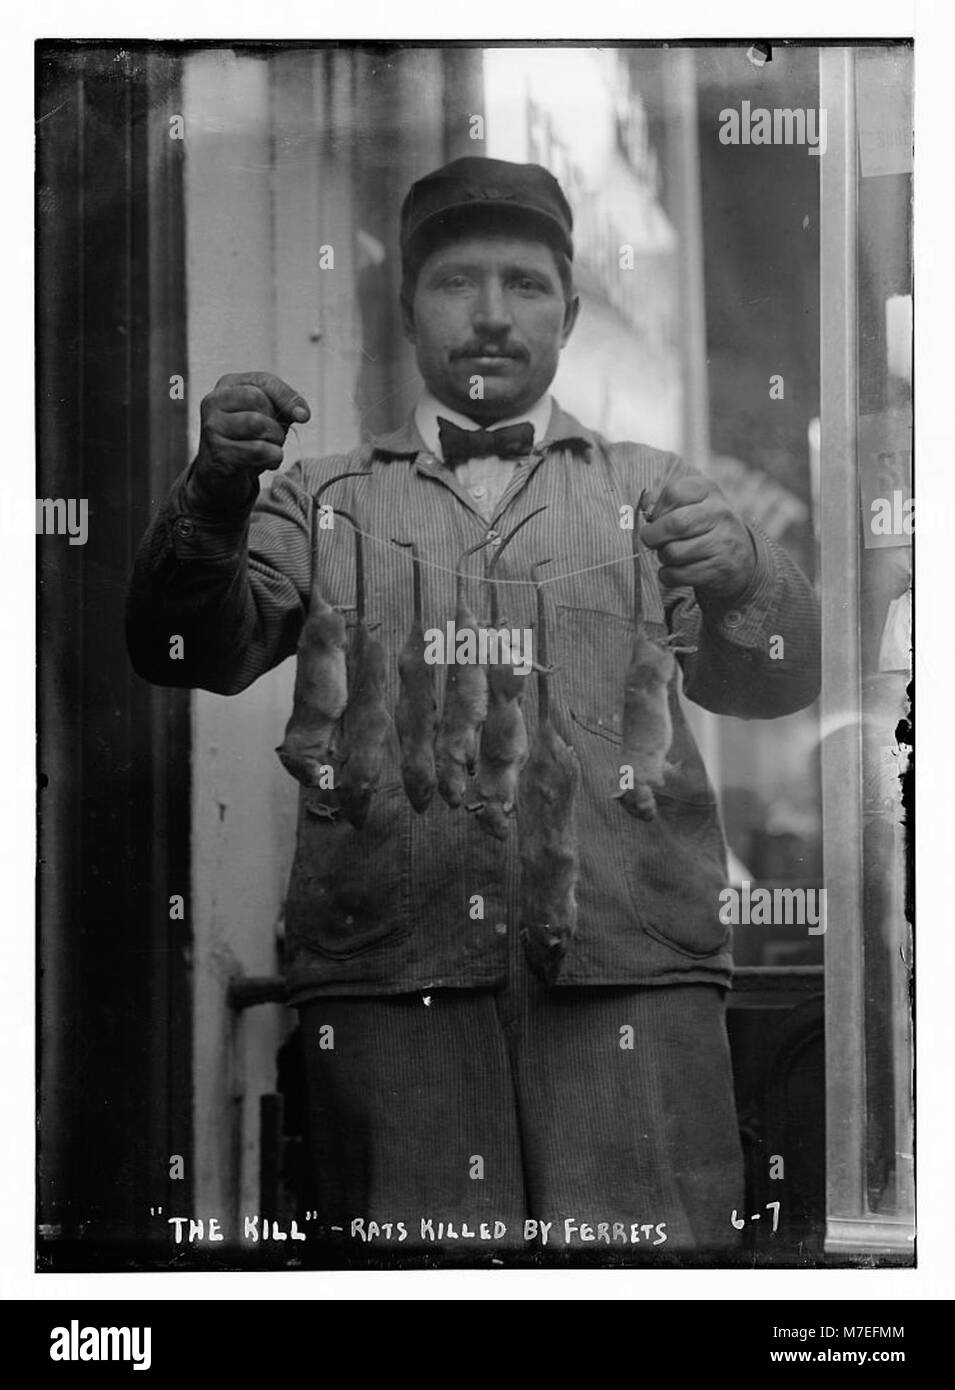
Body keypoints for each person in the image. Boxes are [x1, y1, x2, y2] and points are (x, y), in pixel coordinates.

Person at [127, 156, 820, 1260]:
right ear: (406, 309)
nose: (492, 315)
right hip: (391, 985)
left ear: (573, 311)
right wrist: (214, 489)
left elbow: (779, 680)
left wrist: (747, 577)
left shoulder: (657, 488)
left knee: (650, 1284)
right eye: (456, 283)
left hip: (629, 982)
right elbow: (185, 650)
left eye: (526, 284)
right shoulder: (318, 498)